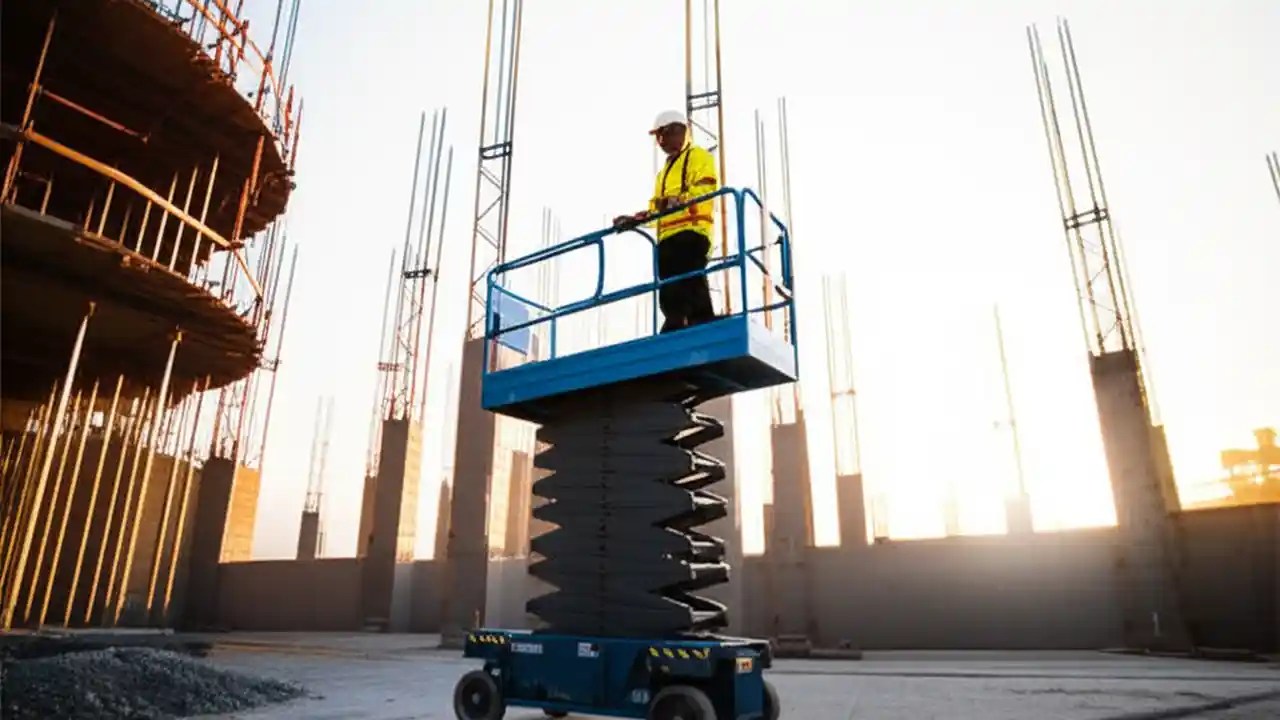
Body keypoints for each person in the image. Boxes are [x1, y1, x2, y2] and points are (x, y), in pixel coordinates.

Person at [613, 110, 719, 333]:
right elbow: (656, 208)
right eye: (658, 137)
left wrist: (678, 201)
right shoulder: (663, 173)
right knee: (669, 285)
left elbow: (705, 190)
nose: (661, 141)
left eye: (664, 134)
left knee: (690, 276)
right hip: (667, 238)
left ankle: (701, 320)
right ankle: (675, 322)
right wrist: (634, 220)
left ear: (679, 131)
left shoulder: (699, 157)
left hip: (691, 231)